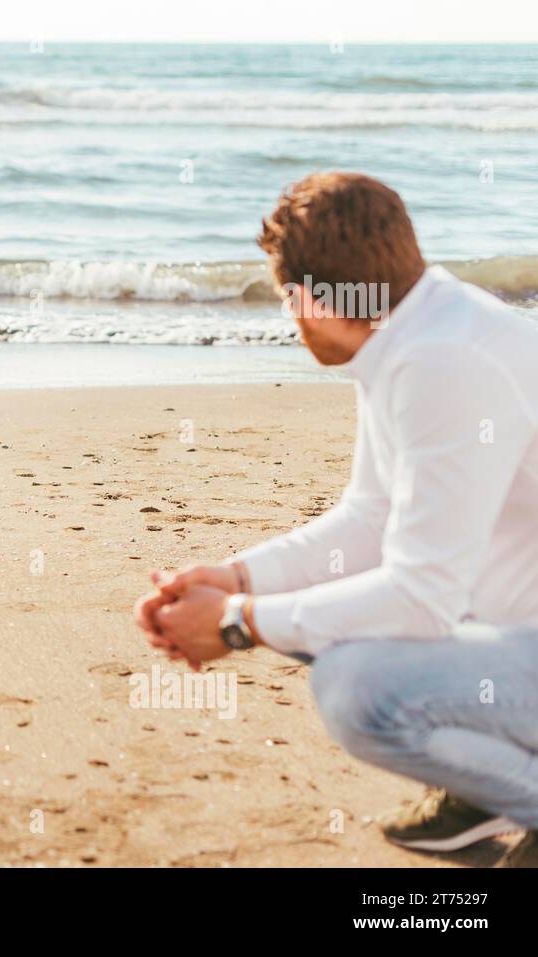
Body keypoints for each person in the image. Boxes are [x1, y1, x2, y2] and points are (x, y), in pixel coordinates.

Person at [133, 172, 538, 867]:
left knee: (358, 688)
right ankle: (482, 789)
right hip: (512, 629)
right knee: (325, 623)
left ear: (310, 300)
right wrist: (236, 578)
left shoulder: (441, 362)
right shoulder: (411, 329)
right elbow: (368, 521)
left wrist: (235, 622)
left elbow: (419, 596)